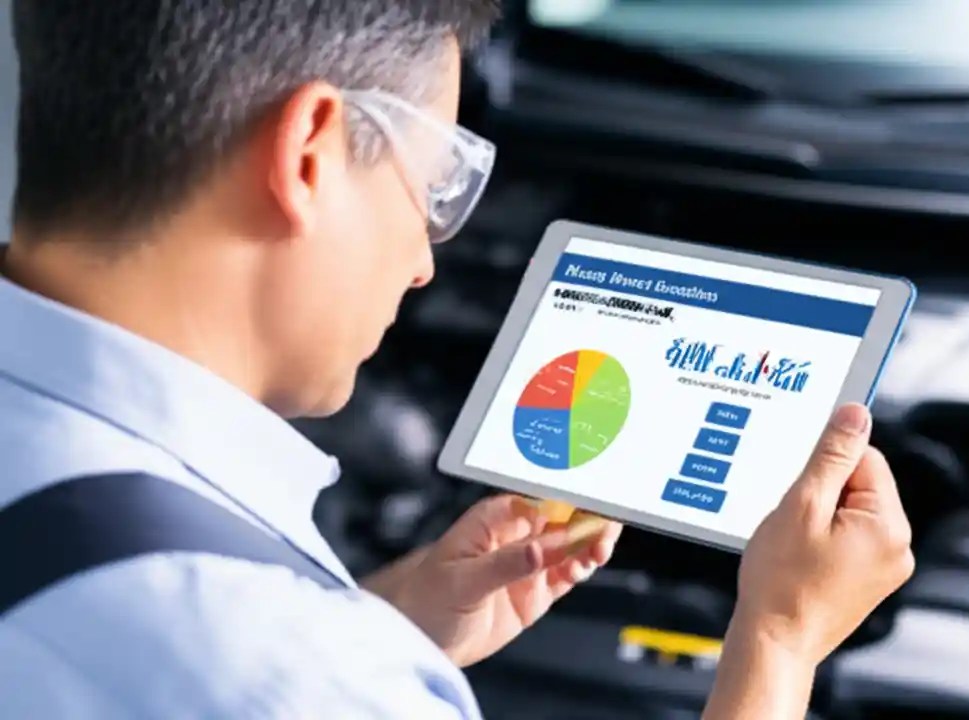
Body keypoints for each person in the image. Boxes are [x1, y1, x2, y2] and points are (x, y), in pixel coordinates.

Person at [0, 2, 914, 718]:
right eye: (436, 185)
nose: (425, 260)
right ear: (310, 154)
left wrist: (390, 621)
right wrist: (782, 643)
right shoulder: (290, 673)